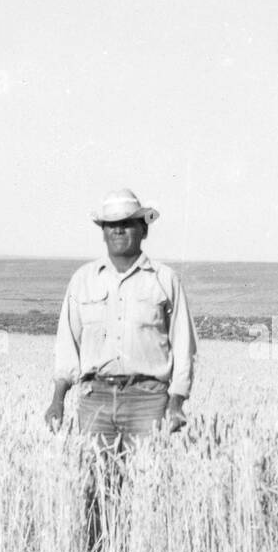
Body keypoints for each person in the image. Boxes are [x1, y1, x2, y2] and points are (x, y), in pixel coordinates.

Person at [44, 188, 197, 449]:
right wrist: (57, 399)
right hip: (95, 399)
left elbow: (184, 347)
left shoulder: (165, 280)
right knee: (94, 484)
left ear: (144, 230)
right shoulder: (83, 280)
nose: (118, 231)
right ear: (103, 232)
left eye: (127, 224)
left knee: (146, 482)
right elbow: (67, 345)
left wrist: (176, 401)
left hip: (148, 401)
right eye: (111, 225)